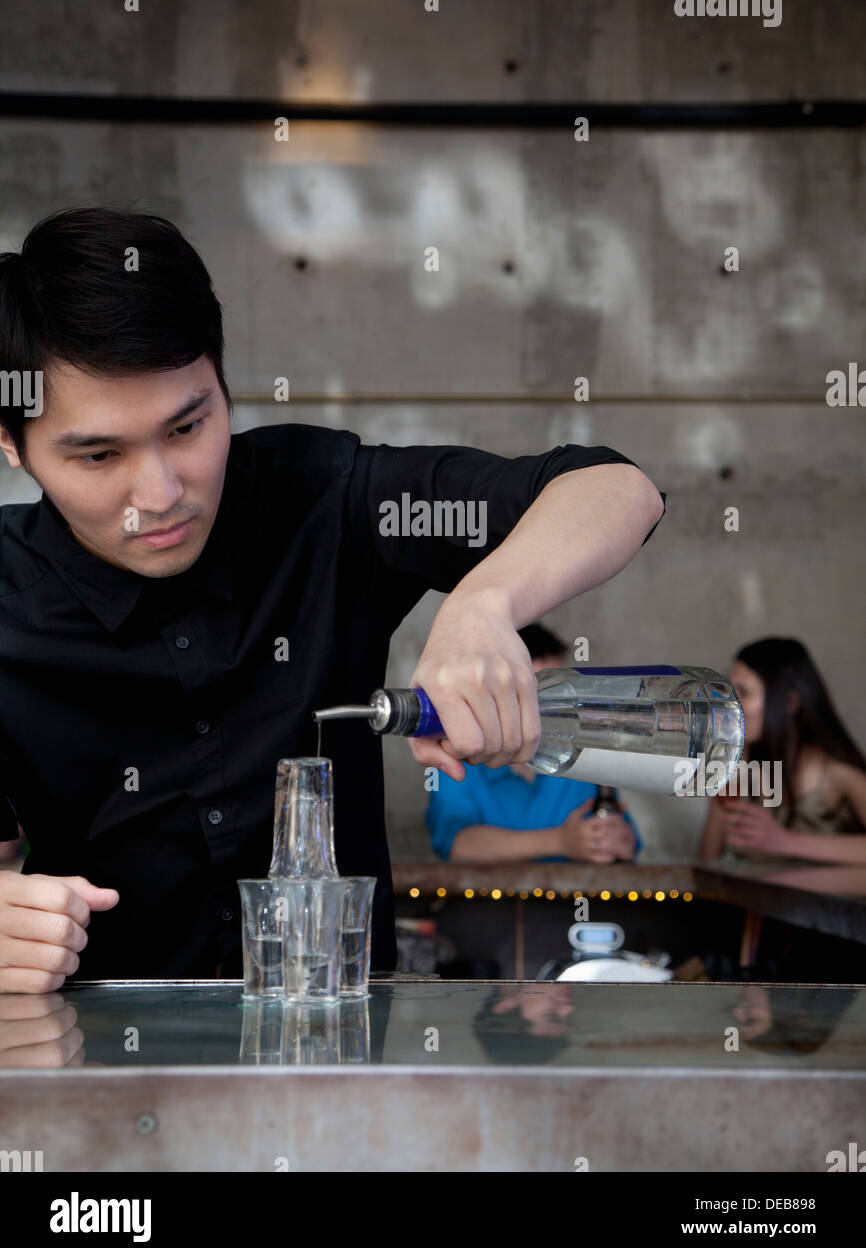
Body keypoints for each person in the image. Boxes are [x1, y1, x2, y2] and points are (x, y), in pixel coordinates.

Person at [0, 206, 665, 991]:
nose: (162, 494)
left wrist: (482, 607)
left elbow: (619, 488)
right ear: (12, 445)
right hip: (99, 1071)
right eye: (100, 454)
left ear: (221, 380)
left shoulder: (322, 499)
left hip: (340, 1054)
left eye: (187, 428)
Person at [426, 623, 642, 864]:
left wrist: (620, 843)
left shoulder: (587, 758)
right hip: (486, 903)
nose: (552, 708)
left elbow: (626, 842)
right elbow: (456, 845)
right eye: (536, 693)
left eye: (560, 693)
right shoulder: (459, 756)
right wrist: (560, 841)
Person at [699, 638, 866, 864]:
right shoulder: (737, 767)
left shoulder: (836, 772)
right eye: (728, 691)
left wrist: (784, 841)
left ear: (789, 702)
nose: (728, 704)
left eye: (744, 693)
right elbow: (706, 862)